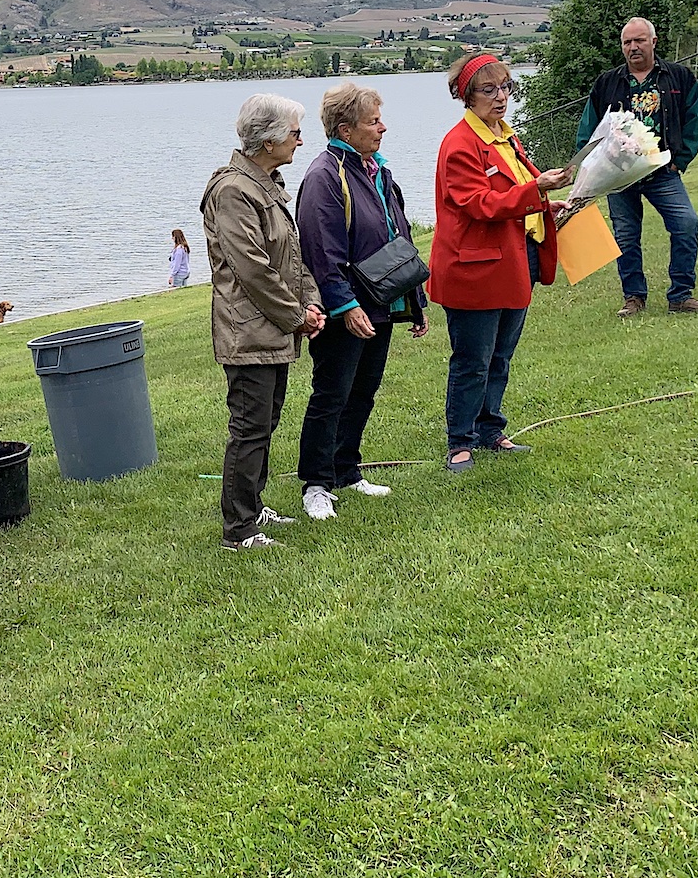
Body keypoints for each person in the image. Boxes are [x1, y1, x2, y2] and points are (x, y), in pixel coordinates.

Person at [294, 81, 428, 520]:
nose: (383, 128)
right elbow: (321, 250)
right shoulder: (323, 176)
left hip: (383, 302)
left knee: (364, 390)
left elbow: (398, 235)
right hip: (345, 309)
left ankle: (347, 470)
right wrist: (344, 306)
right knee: (332, 391)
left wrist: (414, 299)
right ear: (346, 130)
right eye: (374, 121)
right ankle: (316, 483)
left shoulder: (378, 171)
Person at [430, 54, 569, 473]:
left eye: (505, 87)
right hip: (474, 268)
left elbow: (517, 191)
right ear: (466, 96)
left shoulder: (504, 137)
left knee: (501, 355)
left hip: (512, 259)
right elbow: (478, 204)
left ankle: (490, 431)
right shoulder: (460, 144)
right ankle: (460, 442)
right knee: (473, 358)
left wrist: (545, 202)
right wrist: (535, 191)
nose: (501, 97)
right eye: (488, 90)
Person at [200, 94, 326, 550]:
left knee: (266, 422)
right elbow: (252, 268)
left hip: (271, 327)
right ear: (269, 138)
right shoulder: (234, 190)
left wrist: (309, 301)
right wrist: (297, 316)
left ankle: (252, 504)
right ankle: (239, 530)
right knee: (250, 428)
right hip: (248, 330)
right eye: (294, 132)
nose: (300, 140)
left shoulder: (266, 184)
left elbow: (290, 256)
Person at [575, 16, 698, 316]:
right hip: (618, 177)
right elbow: (588, 129)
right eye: (627, 42)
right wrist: (590, 168)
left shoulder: (679, 77)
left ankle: (680, 295)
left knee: (686, 224)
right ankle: (633, 298)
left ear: (653, 41)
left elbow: (694, 121)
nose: (633, 47)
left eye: (639, 40)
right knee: (625, 235)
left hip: (663, 173)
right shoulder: (606, 83)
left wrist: (680, 161)